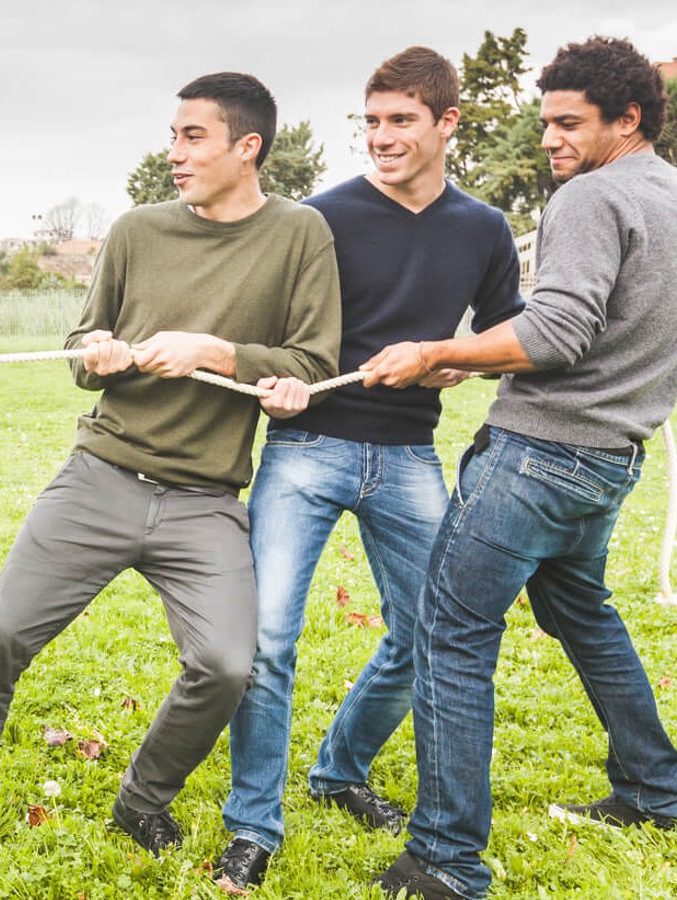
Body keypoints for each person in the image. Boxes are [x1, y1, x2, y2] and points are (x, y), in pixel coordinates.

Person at [356, 37, 677, 900]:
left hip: (537, 460)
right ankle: (656, 795)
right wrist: (645, 341)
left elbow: (552, 334)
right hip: (607, 468)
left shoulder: (592, 196)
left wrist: (445, 350)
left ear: (626, 120)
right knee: (583, 617)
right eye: (544, 120)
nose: (549, 139)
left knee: (451, 636)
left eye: (567, 122)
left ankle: (444, 858)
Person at [0, 71, 340, 883]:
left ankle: (142, 800)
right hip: (101, 476)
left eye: (192, 136)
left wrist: (214, 351)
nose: (173, 153)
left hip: (205, 501)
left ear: (249, 147)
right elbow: (83, 345)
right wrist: (96, 352)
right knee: (0, 641)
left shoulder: (300, 234)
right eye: (172, 135)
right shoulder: (137, 230)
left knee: (228, 666)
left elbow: (313, 363)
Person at [213, 47, 524, 894]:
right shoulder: (320, 217)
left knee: (432, 636)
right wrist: (273, 384)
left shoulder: (484, 229)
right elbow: (275, 334)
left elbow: (509, 340)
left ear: (447, 123)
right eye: (373, 120)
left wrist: (457, 359)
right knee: (268, 641)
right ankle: (251, 826)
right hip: (307, 450)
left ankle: (340, 768)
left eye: (401, 121)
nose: (381, 137)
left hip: (410, 454)